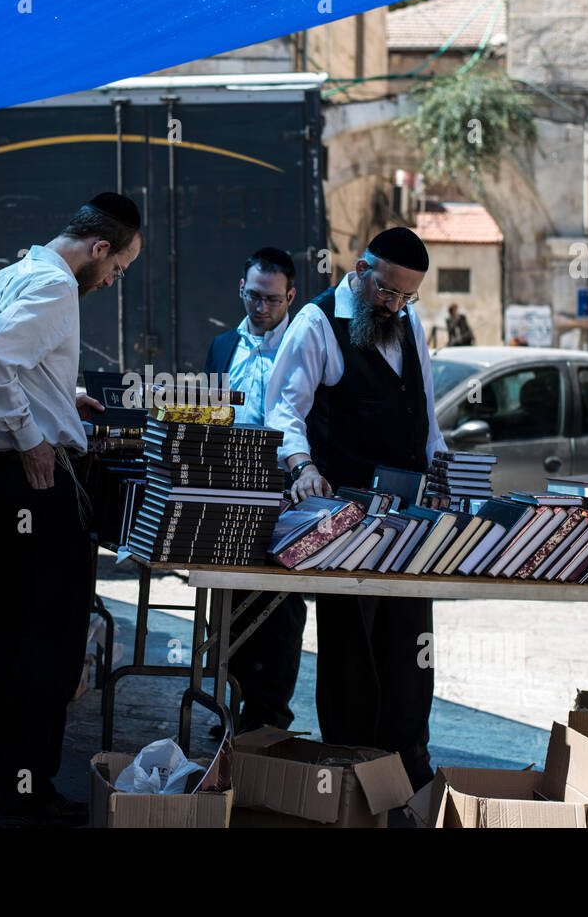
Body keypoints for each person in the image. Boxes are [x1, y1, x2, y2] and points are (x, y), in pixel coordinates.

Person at [0, 192, 142, 827]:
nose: (115, 280)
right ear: (99, 248)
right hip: (32, 481)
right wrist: (34, 435)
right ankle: (24, 792)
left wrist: (65, 399)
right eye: (118, 267)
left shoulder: (5, 277)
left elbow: (3, 364)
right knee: (53, 642)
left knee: (7, 634)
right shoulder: (56, 285)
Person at [265, 227, 446, 791]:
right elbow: (282, 411)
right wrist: (303, 466)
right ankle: (347, 774)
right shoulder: (317, 321)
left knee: (411, 647)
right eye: (387, 291)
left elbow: (426, 417)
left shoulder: (409, 322)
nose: (393, 305)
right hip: (348, 522)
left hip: (412, 519)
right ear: (361, 269)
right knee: (351, 647)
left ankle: (409, 772)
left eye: (405, 296)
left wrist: (443, 468)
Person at [202, 247, 305, 735]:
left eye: (271, 300)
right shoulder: (222, 346)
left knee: (279, 609)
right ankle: (231, 709)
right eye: (252, 296)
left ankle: (268, 717)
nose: (260, 308)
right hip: (226, 490)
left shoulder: (304, 347)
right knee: (228, 606)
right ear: (240, 290)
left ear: (290, 297)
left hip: (282, 492)